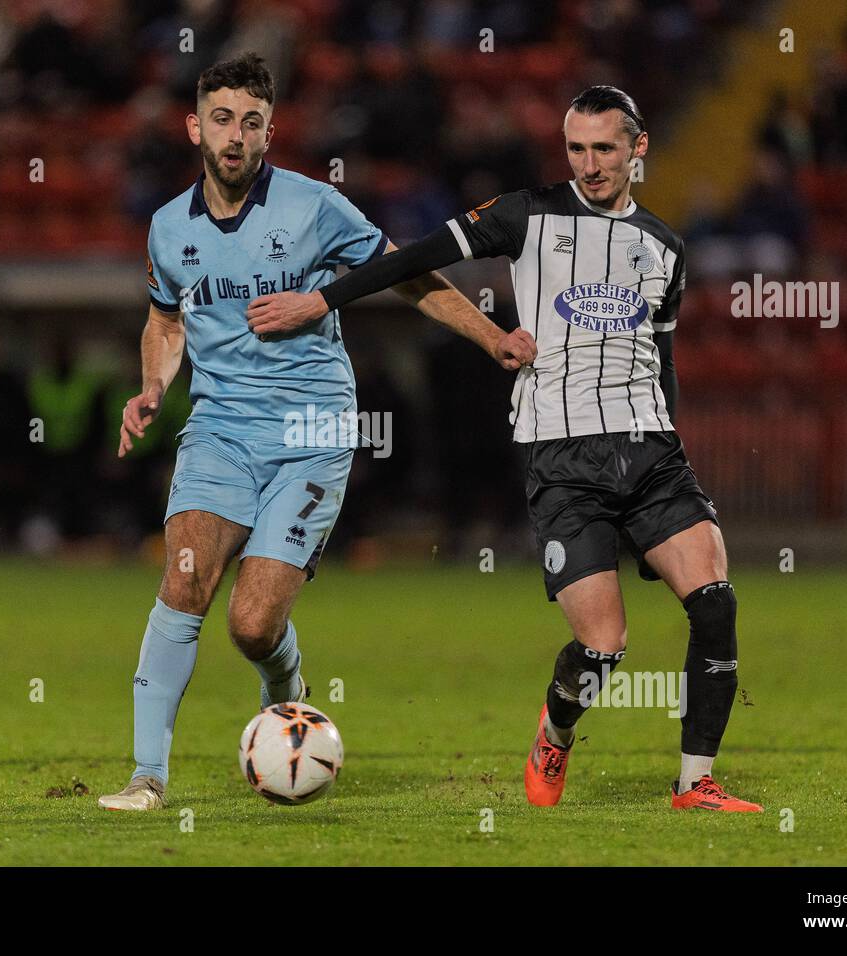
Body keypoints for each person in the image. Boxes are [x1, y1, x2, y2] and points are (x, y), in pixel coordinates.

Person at [247, 86, 762, 812]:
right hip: (562, 458)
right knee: (603, 648)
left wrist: (672, 442)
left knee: (715, 604)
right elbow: (414, 259)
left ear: (638, 148)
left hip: (654, 457)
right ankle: (555, 732)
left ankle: (695, 781)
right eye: (577, 149)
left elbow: (663, 359)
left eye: (605, 149)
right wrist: (322, 300)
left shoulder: (665, 250)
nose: (589, 164)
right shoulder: (527, 215)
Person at [99, 53, 535, 811]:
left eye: (253, 122)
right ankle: (147, 777)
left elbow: (405, 272)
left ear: (270, 134)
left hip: (310, 430)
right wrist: (151, 386)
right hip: (220, 432)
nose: (237, 136)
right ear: (194, 126)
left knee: (252, 623)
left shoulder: (314, 207)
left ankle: (287, 690)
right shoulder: (169, 228)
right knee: (185, 581)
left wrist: (491, 336)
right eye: (224, 119)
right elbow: (165, 318)